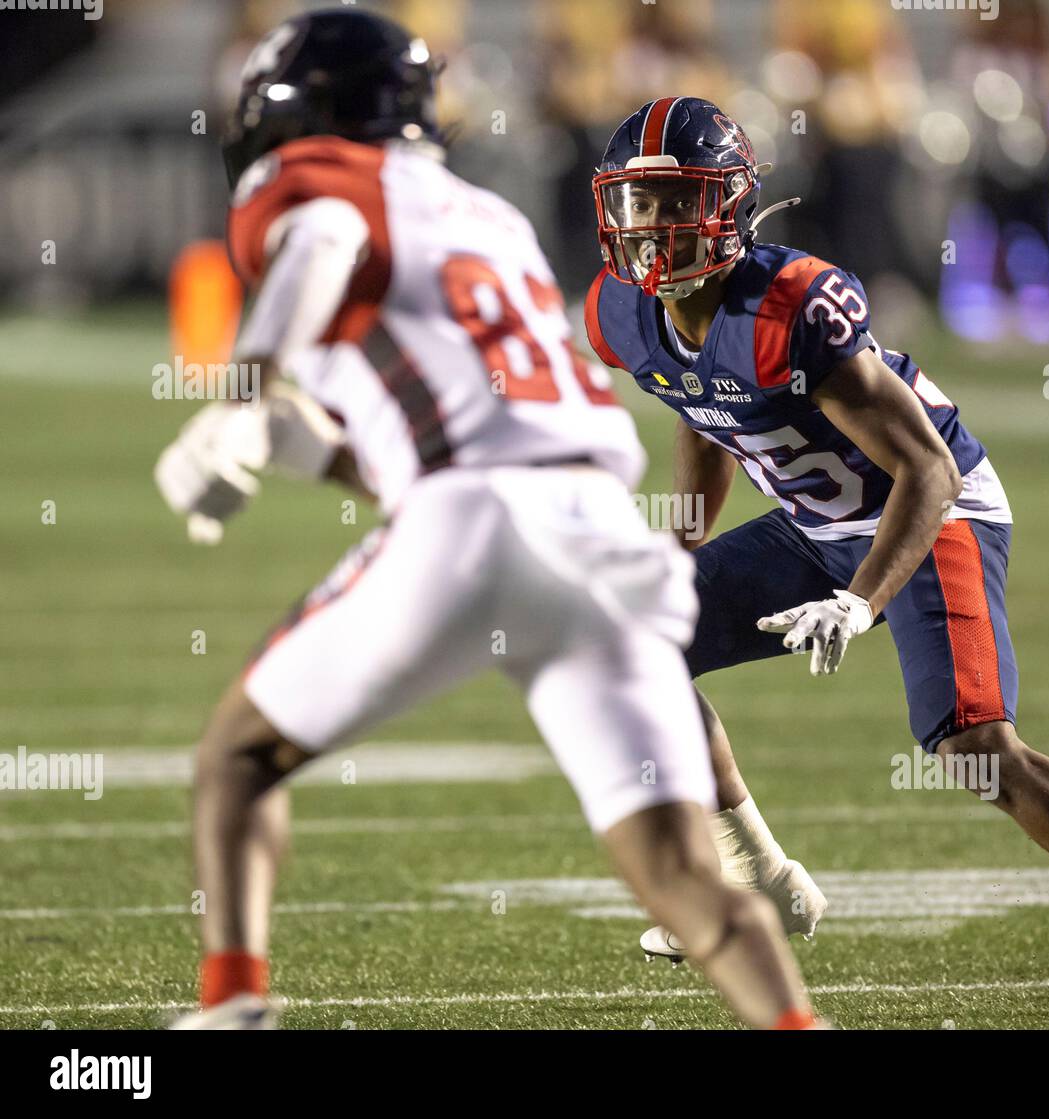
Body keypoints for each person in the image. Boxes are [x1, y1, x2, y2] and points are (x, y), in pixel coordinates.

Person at [158, 14, 816, 1030]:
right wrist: (306, 447)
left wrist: (242, 392)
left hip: (465, 524)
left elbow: (329, 240)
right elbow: (469, 429)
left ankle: (231, 1006)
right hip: (600, 533)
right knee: (687, 879)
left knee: (236, 761)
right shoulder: (489, 218)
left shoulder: (318, 187)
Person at [585, 96, 1049, 1016]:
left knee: (973, 744)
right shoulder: (621, 313)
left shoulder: (790, 307)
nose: (650, 226)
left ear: (729, 204)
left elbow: (929, 472)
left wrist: (859, 602)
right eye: (639, 202)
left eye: (673, 201)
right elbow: (700, 409)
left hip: (931, 512)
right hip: (817, 518)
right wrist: (677, 550)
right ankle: (763, 880)